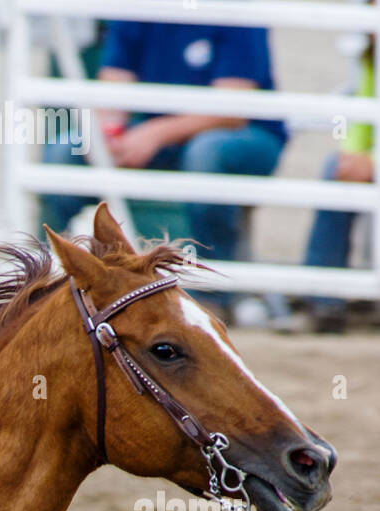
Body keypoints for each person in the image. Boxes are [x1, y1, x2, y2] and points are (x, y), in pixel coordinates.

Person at [38, 20, 287, 316]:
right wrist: (107, 134)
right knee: (68, 150)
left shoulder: (235, 13)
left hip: (232, 136)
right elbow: (113, 90)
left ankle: (209, 292)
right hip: (163, 133)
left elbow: (231, 109)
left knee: (206, 154)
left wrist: (152, 134)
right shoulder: (138, 12)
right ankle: (49, 282)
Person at [276, 39, 374, 333]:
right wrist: (355, 154)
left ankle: (322, 298)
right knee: (338, 169)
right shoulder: (370, 55)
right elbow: (363, 112)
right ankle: (322, 301)